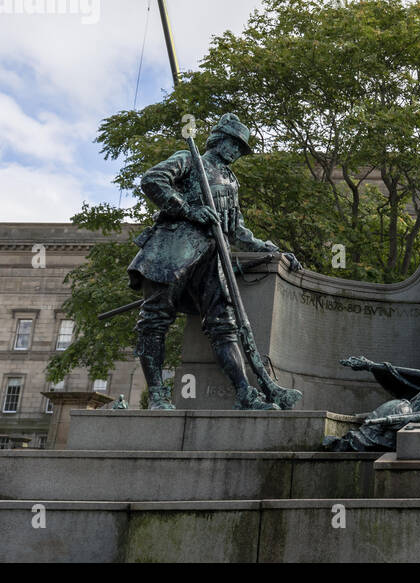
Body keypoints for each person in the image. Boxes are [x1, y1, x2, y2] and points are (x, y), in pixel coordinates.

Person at [127, 113, 301, 411]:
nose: (236, 152)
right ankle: (157, 395)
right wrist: (187, 209)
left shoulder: (231, 180)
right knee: (155, 320)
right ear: (218, 139)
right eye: (234, 144)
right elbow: (152, 180)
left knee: (224, 325)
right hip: (171, 251)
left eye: (241, 149)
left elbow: (235, 228)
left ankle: (245, 393)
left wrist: (269, 249)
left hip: (211, 257)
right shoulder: (189, 159)